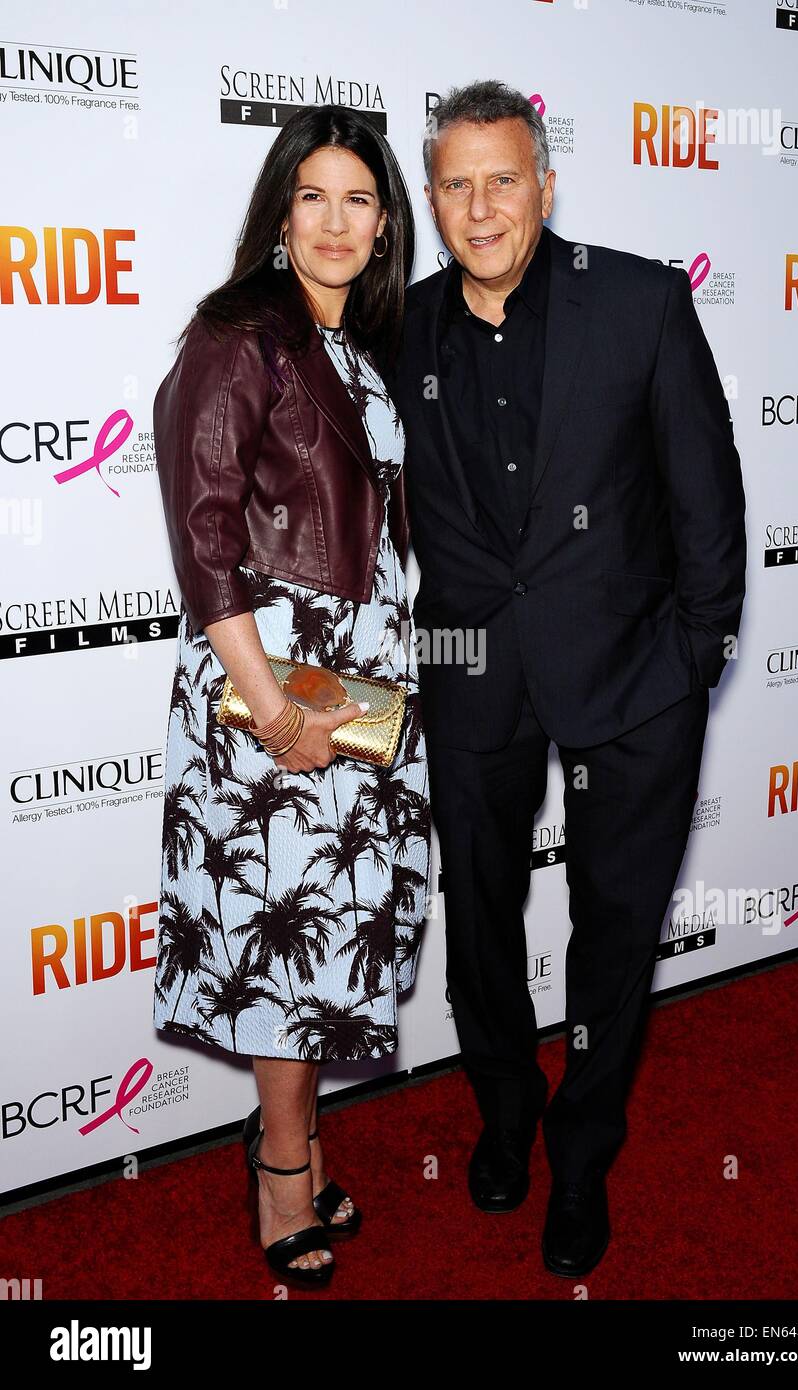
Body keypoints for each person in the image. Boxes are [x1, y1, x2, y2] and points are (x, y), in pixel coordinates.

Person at [391, 80, 746, 1277]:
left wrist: (694, 653)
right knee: (481, 926)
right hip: (472, 677)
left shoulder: (639, 300)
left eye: (504, 178)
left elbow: (705, 488)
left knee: (610, 942)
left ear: (546, 182)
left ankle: (582, 1155)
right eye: (456, 183)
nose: (481, 206)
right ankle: (502, 1116)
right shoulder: (401, 325)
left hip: (633, 680)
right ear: (428, 198)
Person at [151, 105, 430, 1287]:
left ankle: (300, 1141)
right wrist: (269, 706)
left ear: (382, 224)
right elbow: (204, 535)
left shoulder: (353, 347)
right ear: (278, 213)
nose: (333, 220)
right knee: (279, 935)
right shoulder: (238, 335)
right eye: (311, 196)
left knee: (323, 938)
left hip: (353, 679)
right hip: (271, 677)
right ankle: (279, 1173)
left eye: (357, 199)